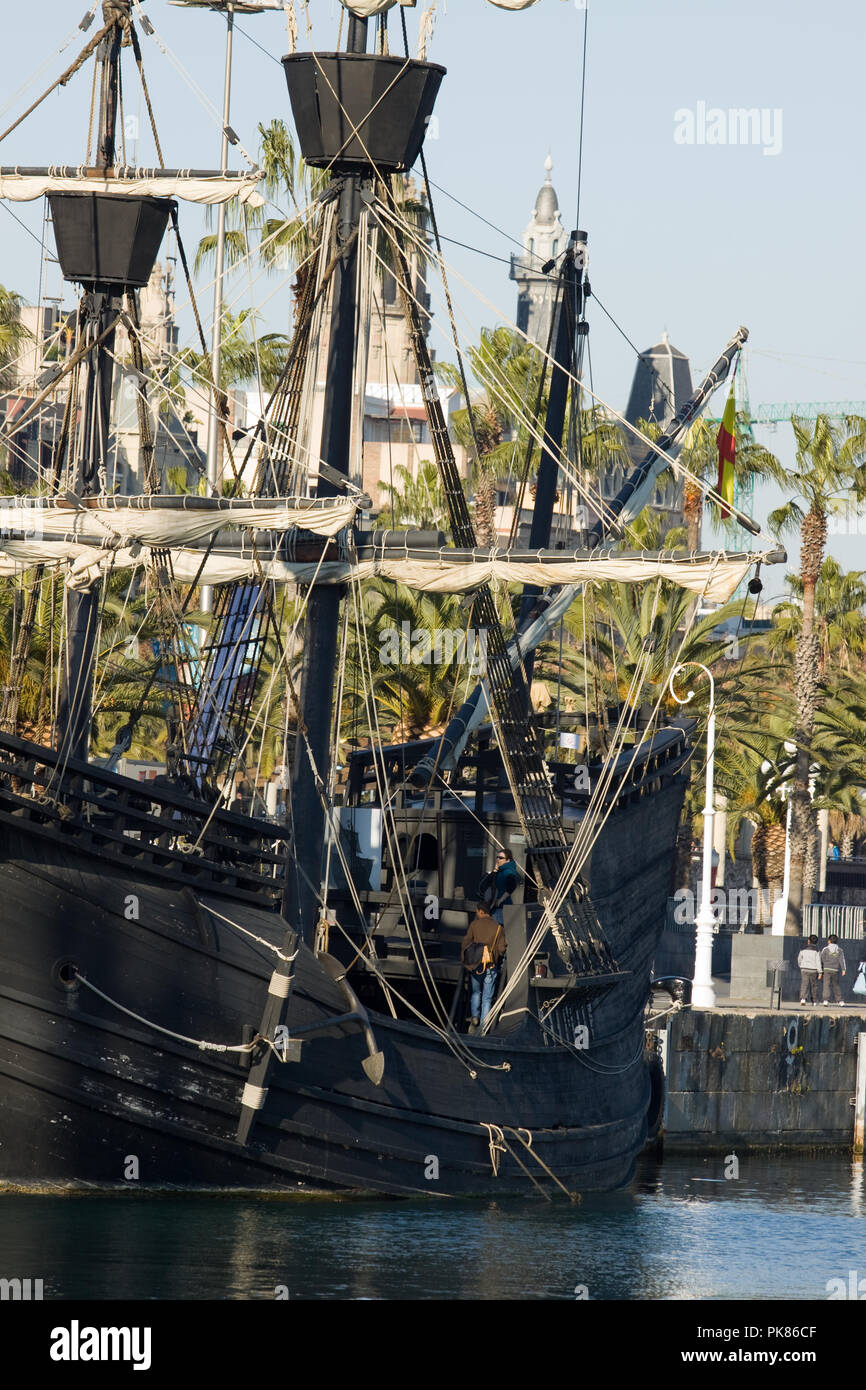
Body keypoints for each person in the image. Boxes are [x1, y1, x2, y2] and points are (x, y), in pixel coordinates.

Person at [461, 905, 506, 1030]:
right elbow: (502, 949)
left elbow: (466, 942)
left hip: (476, 964)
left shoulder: (474, 925)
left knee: (476, 992)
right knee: (487, 998)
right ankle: (484, 1025)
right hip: (491, 965)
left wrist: (466, 960)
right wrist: (496, 955)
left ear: (481, 911)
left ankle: (475, 1016)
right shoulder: (499, 928)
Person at [490, 850, 518, 926]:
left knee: (498, 928)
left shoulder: (507, 871)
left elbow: (512, 886)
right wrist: (495, 870)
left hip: (501, 907)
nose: (498, 859)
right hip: (495, 906)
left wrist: (500, 900)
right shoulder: (501, 870)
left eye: (501, 858)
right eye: (497, 857)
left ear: (507, 860)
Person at [821, 934, 847, 1005]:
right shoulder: (840, 950)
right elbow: (842, 960)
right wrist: (843, 969)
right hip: (835, 970)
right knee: (836, 985)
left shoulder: (825, 949)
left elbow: (822, 959)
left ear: (829, 941)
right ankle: (840, 1000)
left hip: (826, 969)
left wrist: (822, 968)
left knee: (826, 985)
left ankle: (825, 1000)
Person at [797, 934, 822, 1006]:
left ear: (808, 941)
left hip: (804, 969)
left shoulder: (803, 949)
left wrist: (801, 966)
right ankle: (814, 1001)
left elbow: (799, 959)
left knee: (804, 984)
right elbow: (818, 961)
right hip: (813, 970)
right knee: (814, 985)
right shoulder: (817, 951)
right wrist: (820, 972)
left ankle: (803, 999)